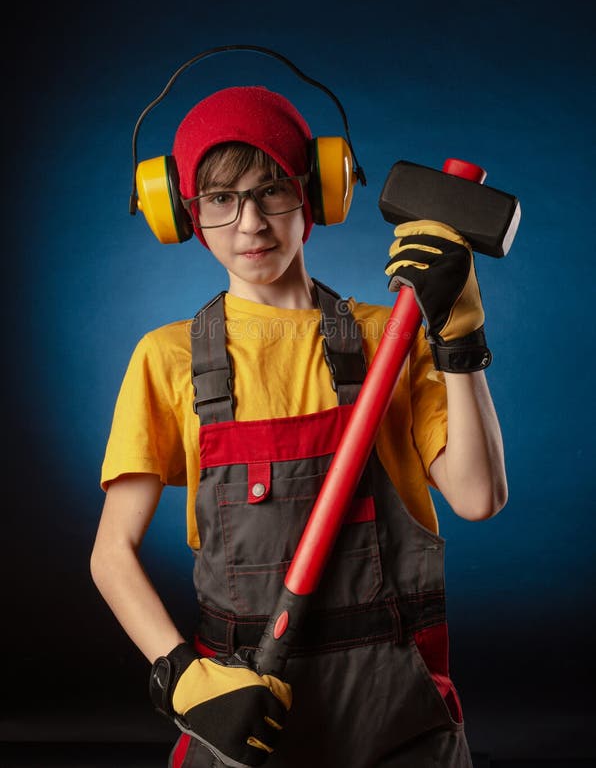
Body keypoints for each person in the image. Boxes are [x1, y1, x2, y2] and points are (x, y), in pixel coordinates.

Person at [90, 82, 508, 768]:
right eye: (221, 199)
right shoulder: (166, 359)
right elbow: (110, 555)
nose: (249, 223)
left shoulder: (386, 340)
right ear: (184, 213)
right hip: (247, 712)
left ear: (315, 193)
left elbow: (478, 498)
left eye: (271, 188)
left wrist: (461, 344)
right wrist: (183, 677)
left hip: (396, 717)